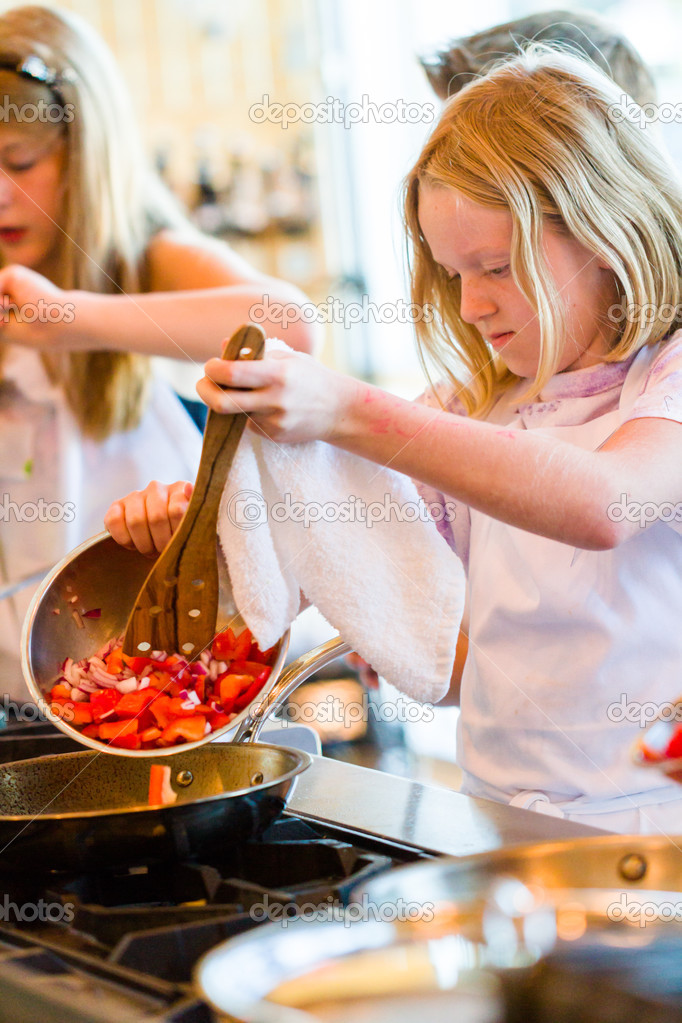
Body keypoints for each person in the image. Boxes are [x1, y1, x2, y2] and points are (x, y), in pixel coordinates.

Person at [107, 46, 682, 834]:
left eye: (496, 266)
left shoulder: (666, 376)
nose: (472, 304)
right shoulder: (469, 406)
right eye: (451, 275)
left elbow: (604, 503)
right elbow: (434, 657)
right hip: (501, 824)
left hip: (659, 829)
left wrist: (346, 411)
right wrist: (207, 538)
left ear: (605, 228)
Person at [0, 4, 316, 702]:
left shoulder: (144, 258)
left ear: (87, 156)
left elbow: (288, 324)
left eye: (20, 162)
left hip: (154, 680)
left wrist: (75, 319)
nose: (0, 195)